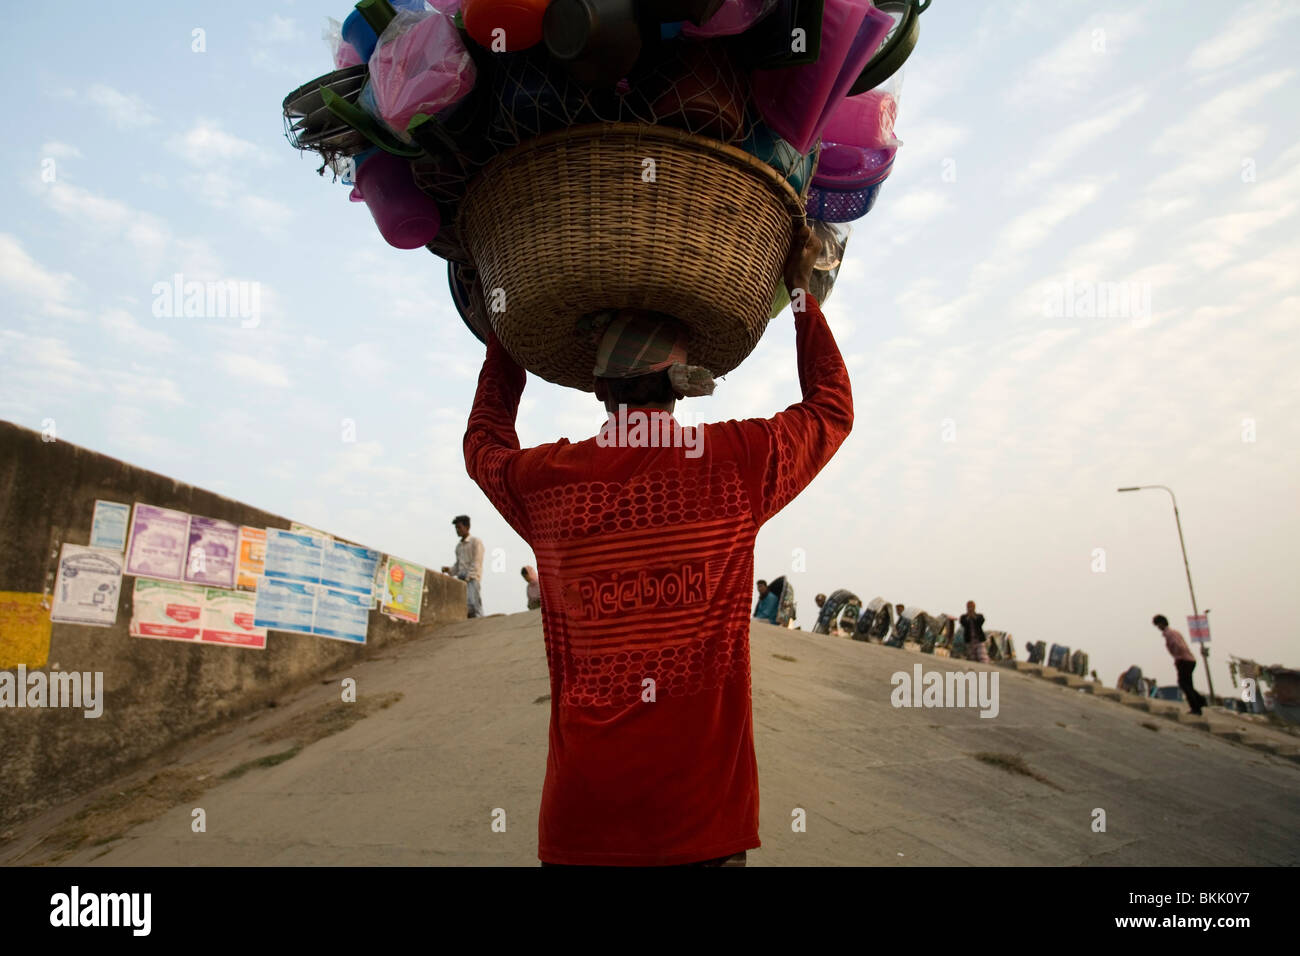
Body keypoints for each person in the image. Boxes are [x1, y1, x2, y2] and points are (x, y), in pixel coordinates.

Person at [463, 225, 851, 867]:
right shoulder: (735, 464)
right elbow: (831, 408)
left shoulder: (552, 484)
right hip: (705, 824)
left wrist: (504, 336)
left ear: (599, 390)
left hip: (583, 824)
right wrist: (801, 291)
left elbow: (484, 443)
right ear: (681, 384)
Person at [1152, 614, 1207, 715]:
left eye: (1158, 625)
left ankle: (1197, 706)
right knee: (1187, 684)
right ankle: (1200, 702)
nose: (1158, 627)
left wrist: (1178, 657)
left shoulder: (1169, 634)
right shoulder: (1174, 632)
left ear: (1162, 623)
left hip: (1183, 660)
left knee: (1184, 683)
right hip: (1189, 660)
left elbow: (1178, 646)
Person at [440, 515, 484, 618]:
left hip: (472, 578)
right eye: (456, 528)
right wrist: (449, 570)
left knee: (474, 605)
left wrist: (469, 577)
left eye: (459, 527)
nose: (457, 530)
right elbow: (458, 565)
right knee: (465, 607)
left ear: (467, 527)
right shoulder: (458, 547)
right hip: (461, 578)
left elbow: (477, 561)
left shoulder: (475, 542)